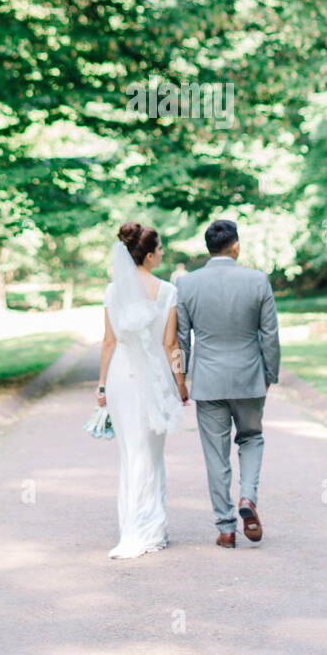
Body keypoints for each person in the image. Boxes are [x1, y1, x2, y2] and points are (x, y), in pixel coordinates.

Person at [176, 219, 280, 548]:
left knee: (215, 456)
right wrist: (270, 374)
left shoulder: (186, 285)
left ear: (208, 248)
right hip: (249, 379)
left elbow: (181, 341)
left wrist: (180, 379)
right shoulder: (258, 280)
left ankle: (225, 528)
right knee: (251, 439)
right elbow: (270, 335)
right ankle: (247, 497)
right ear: (235, 246)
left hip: (208, 383)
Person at [96, 223, 189, 558]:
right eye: (160, 248)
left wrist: (102, 385)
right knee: (151, 453)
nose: (163, 253)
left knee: (130, 453)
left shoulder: (113, 291)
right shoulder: (167, 291)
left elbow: (109, 342)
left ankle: (134, 529)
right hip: (155, 377)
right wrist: (180, 383)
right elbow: (171, 343)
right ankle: (150, 528)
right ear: (148, 256)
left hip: (122, 375)